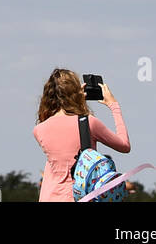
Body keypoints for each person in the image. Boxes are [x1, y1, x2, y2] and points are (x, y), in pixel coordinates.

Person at [33, 69, 130, 203]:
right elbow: (124, 146)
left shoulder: (39, 129)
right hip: (80, 197)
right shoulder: (88, 122)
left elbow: (62, 158)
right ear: (75, 91)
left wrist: (75, 101)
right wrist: (114, 106)